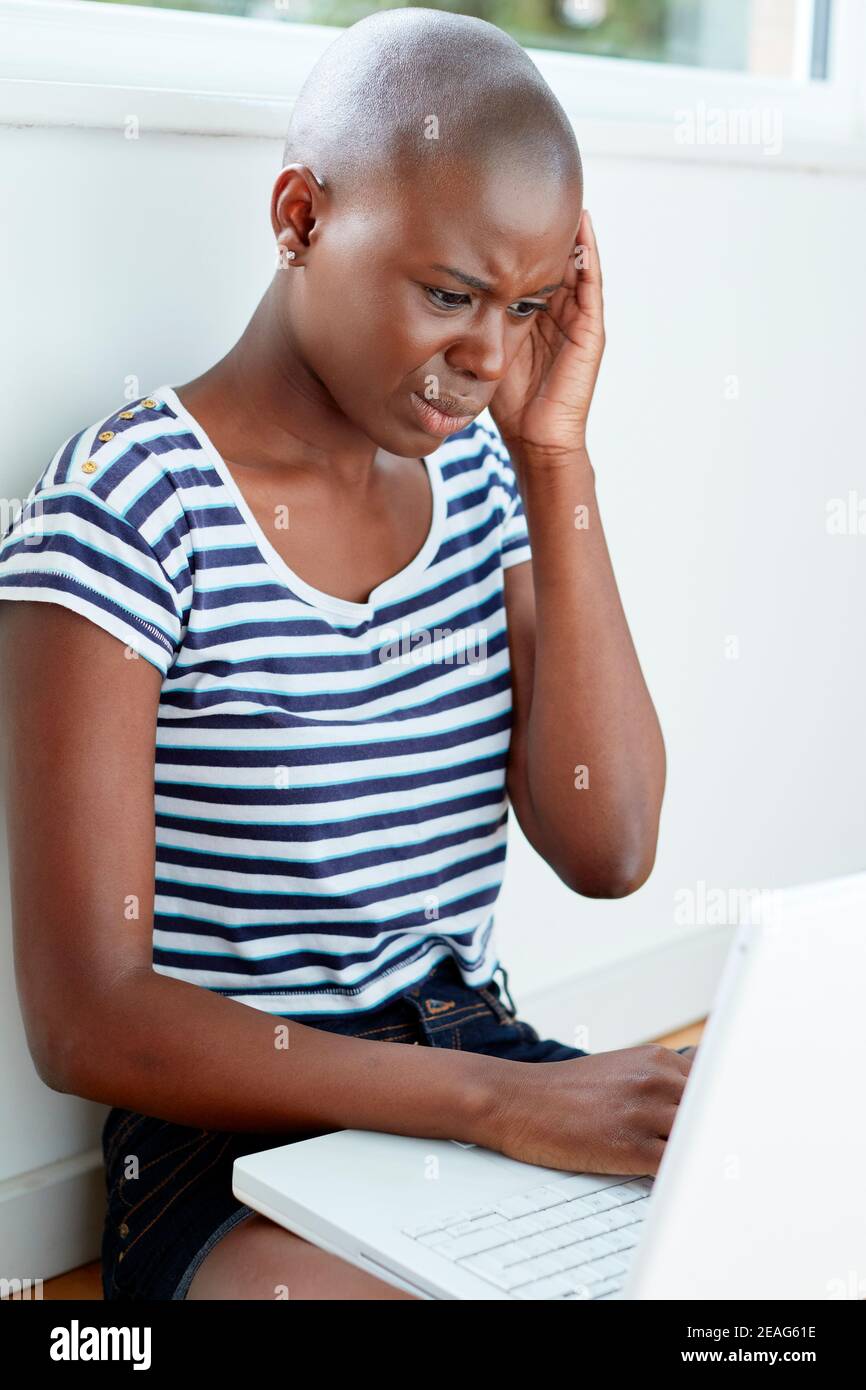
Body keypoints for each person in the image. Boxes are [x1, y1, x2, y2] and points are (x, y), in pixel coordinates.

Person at [0, 8, 694, 1302]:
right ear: (302, 218)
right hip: (232, 1131)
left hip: (473, 1057)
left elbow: (609, 846)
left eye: (526, 308)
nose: (486, 358)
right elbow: (88, 1015)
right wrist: (494, 1102)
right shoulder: (128, 507)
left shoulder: (484, 482)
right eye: (449, 294)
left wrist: (555, 457)